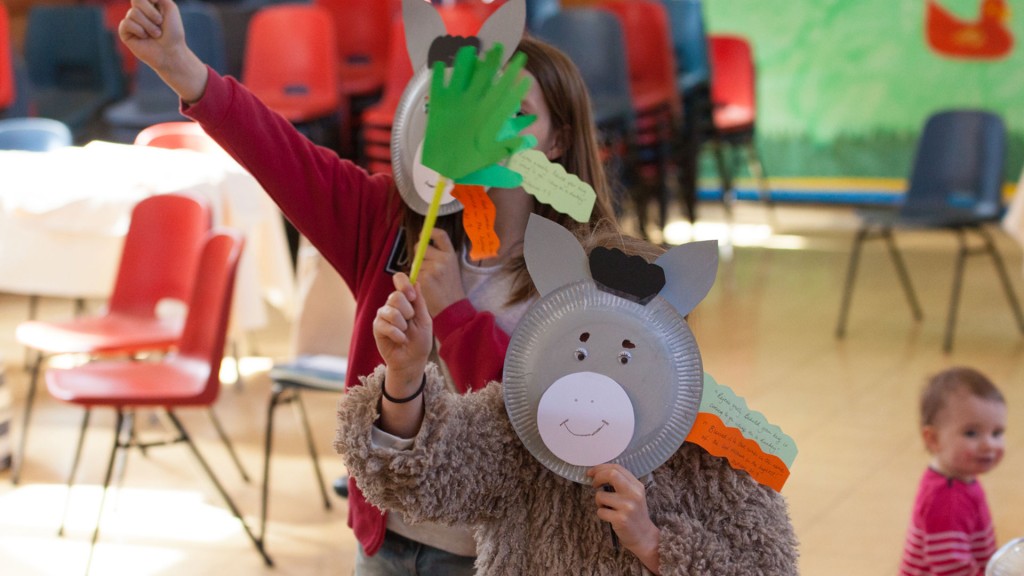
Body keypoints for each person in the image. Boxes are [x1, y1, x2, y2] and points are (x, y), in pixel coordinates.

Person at [118, 0, 618, 572]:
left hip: (492, 556)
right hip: (385, 542)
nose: (489, 131)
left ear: (558, 143)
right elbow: (282, 155)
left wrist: (454, 316)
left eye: (517, 113)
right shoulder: (386, 219)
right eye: (474, 108)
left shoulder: (582, 277)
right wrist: (181, 65)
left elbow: (555, 428)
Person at [336, 228, 799, 575]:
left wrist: (654, 543)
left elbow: (766, 567)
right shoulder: (518, 424)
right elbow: (419, 477)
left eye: (626, 356)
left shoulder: (716, 457)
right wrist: (406, 373)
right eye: (579, 350)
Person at [899, 366, 1008, 576]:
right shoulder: (946, 499)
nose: (989, 445)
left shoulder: (960, 477)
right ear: (933, 439)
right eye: (971, 433)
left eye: (997, 432)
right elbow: (951, 568)